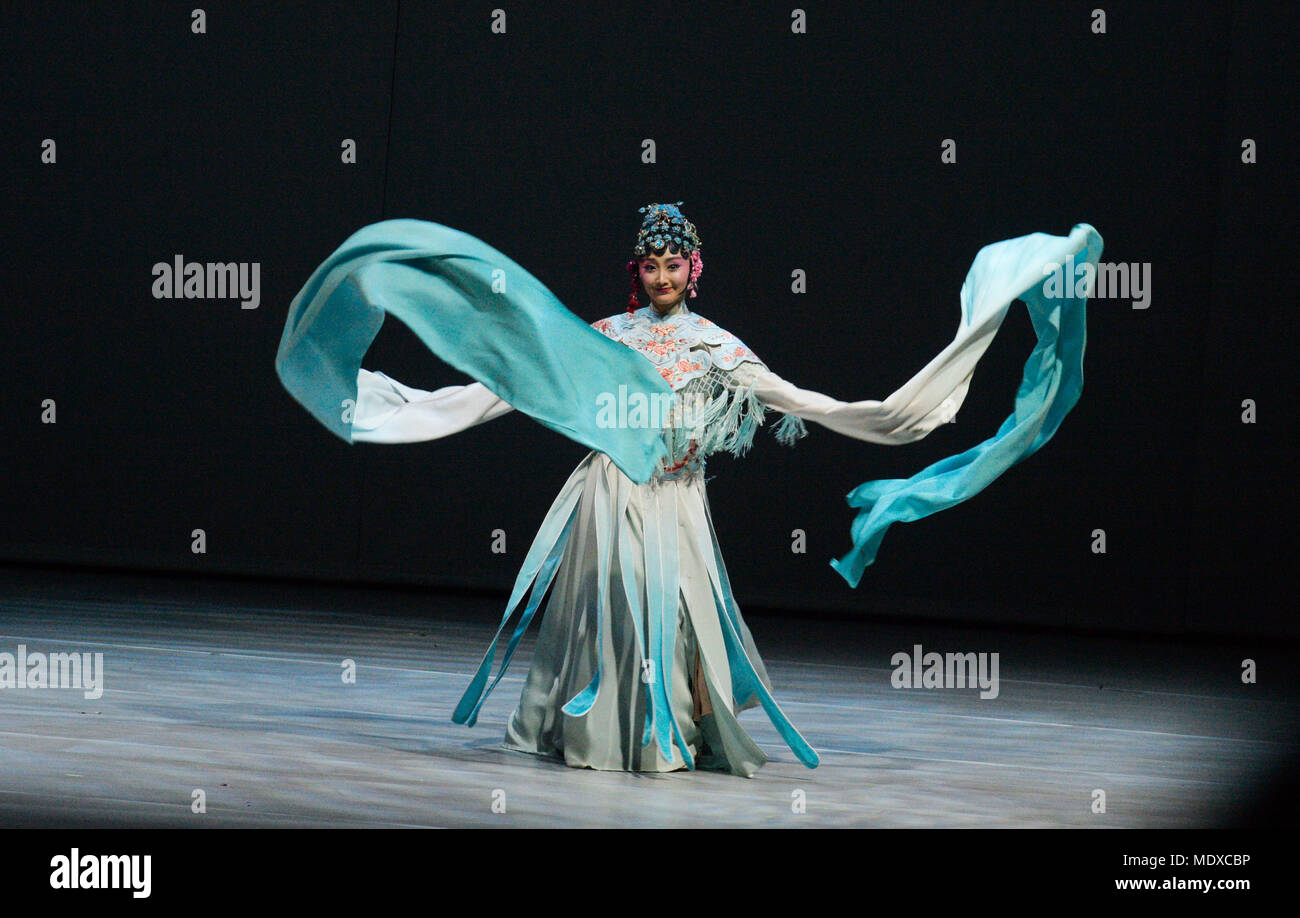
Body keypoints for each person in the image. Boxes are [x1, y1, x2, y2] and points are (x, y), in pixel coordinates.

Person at [276, 202, 1102, 778]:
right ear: (638, 269)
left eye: (676, 263)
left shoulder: (716, 347)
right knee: (607, 608)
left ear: (694, 270)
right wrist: (405, 405)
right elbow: (508, 387)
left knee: (672, 614)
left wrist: (885, 416)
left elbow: (797, 400)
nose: (664, 274)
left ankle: (668, 739)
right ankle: (601, 737)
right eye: (652, 263)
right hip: (608, 493)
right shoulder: (606, 336)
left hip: (676, 500)